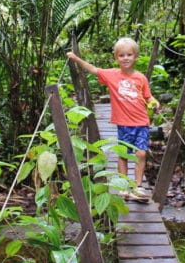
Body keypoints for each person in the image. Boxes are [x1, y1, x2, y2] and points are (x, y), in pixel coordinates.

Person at [67, 37, 159, 202]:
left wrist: (154, 102)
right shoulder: (111, 75)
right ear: (116, 58)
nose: (126, 58)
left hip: (141, 123)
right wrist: (75, 58)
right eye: (121, 55)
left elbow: (148, 96)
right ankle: (123, 186)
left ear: (136, 56)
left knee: (141, 153)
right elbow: (94, 70)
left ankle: (137, 186)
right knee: (123, 155)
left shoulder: (141, 78)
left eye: (129, 54)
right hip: (123, 124)